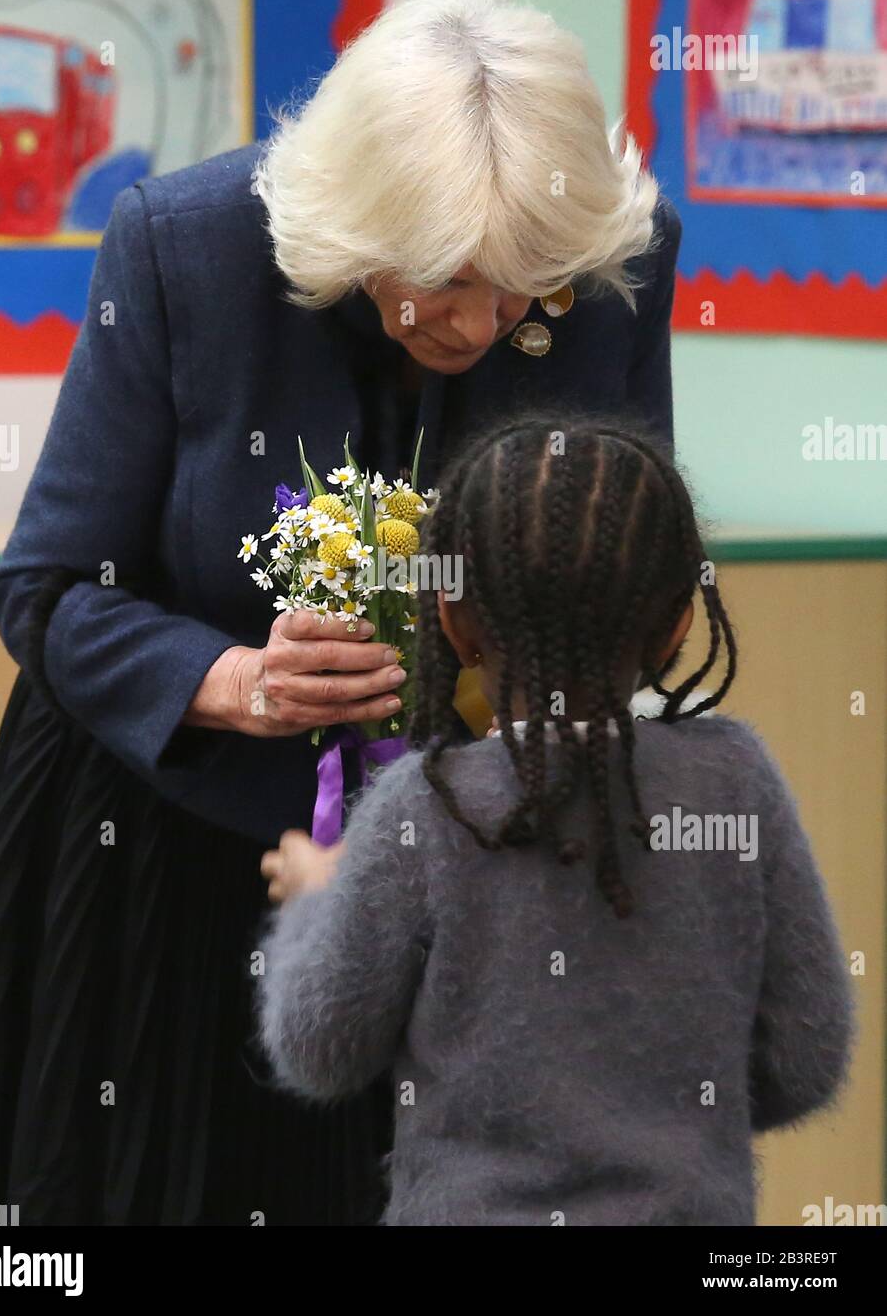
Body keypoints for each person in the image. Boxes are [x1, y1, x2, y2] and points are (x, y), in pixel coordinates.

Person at [0, 0, 677, 1224]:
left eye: (523, 290)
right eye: (446, 281)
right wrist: (230, 682)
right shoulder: (187, 245)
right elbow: (47, 588)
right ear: (360, 226)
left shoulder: (608, 264)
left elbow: (629, 577)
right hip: (166, 857)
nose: (485, 322)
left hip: (473, 858)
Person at [258, 416, 854, 1227]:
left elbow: (319, 1049)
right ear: (679, 622)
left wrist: (313, 902)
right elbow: (802, 1062)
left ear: (452, 620)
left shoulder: (420, 806)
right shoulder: (735, 784)